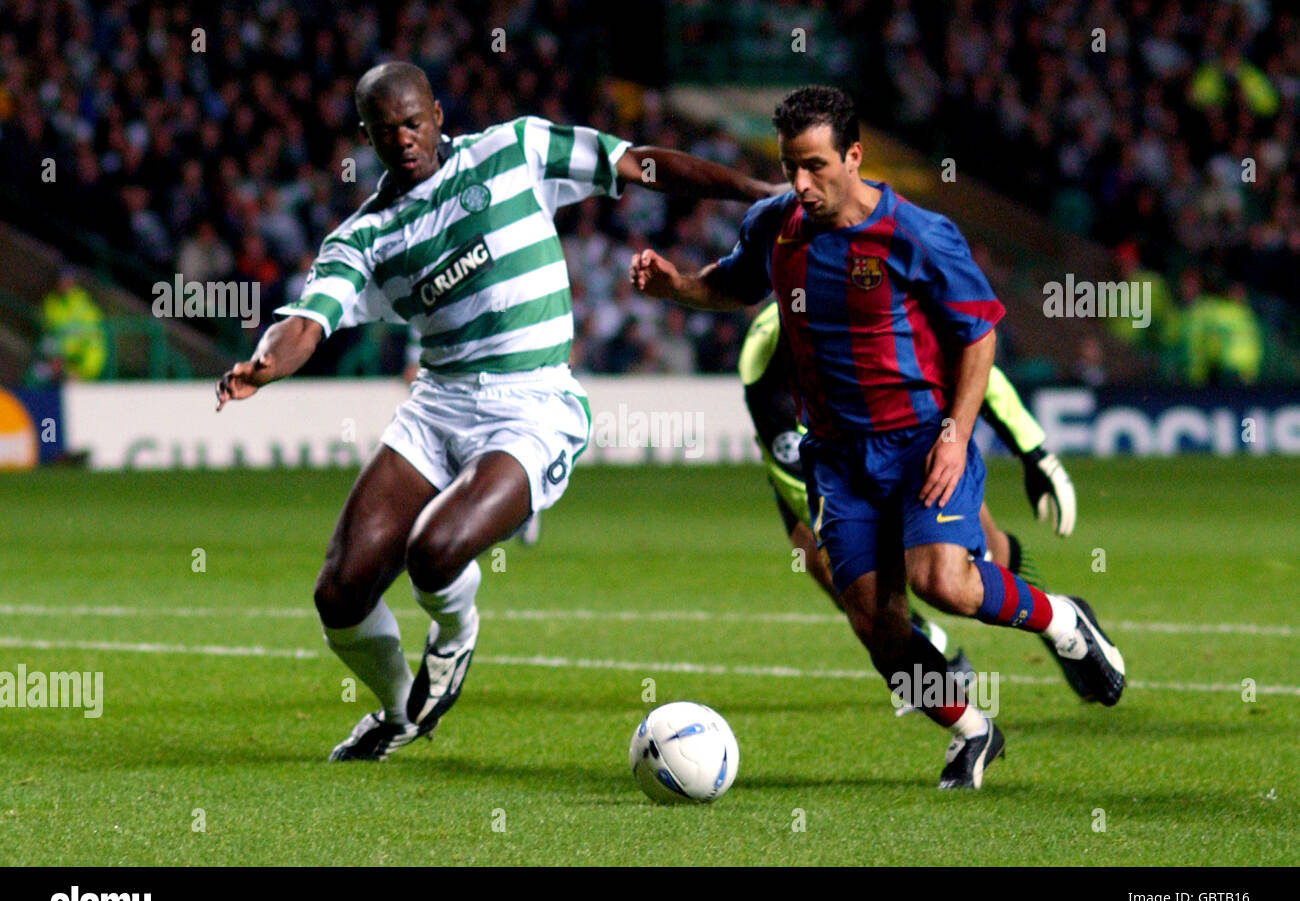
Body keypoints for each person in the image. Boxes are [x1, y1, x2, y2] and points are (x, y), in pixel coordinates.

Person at [215, 62, 782, 761]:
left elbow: (637, 164)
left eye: (413, 121)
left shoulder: (515, 150)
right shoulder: (363, 237)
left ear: (438, 113)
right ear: (365, 137)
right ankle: (400, 714)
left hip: (532, 404)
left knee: (435, 549)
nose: (403, 138)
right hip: (437, 407)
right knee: (339, 594)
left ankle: (453, 641)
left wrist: (760, 192)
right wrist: (265, 364)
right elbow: (306, 320)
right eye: (385, 129)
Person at [631, 86, 1124, 790]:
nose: (800, 183)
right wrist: (674, 285)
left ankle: (1062, 619)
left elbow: (978, 334)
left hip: (922, 441)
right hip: (837, 456)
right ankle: (971, 730)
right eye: (789, 166)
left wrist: (956, 436)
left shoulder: (917, 234)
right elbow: (733, 287)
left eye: (814, 166)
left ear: (854, 156)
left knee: (943, 584)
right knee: (876, 622)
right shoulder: (777, 223)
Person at [739, 301, 1077, 677]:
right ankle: (935, 661)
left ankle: (1061, 623)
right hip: (823, 459)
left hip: (904, 438)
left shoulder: (885, 310)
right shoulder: (766, 368)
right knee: (826, 561)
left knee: (977, 557)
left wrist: (1032, 450)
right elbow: (799, 483)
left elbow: (975, 362)